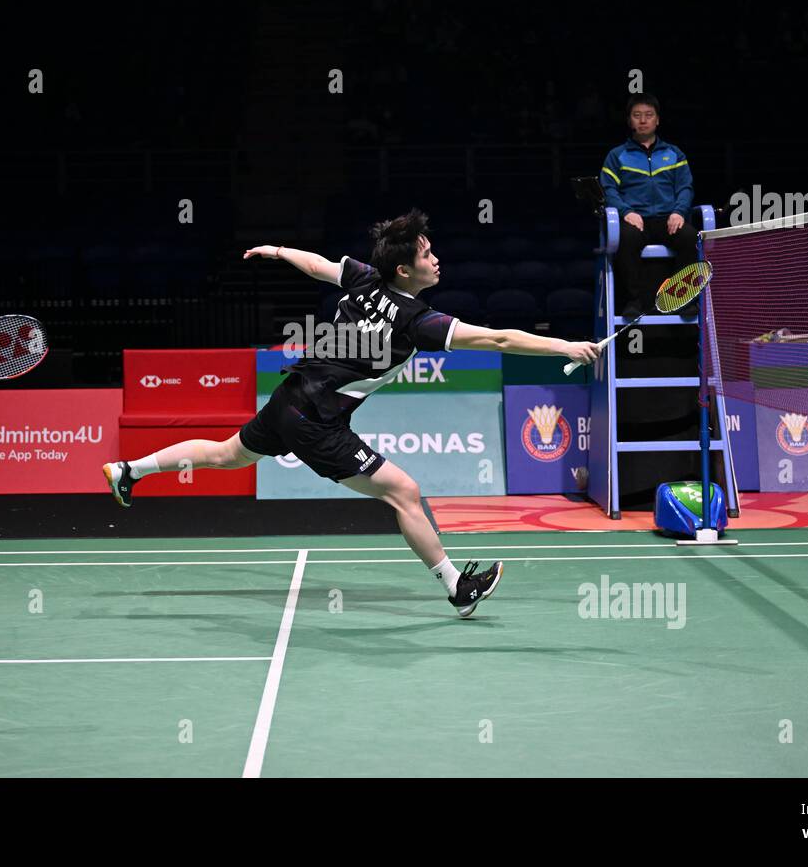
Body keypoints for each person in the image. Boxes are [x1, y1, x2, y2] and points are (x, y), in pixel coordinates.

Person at [103, 210, 599, 618]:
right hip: (315, 420)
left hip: (289, 397)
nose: (436, 259)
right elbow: (498, 339)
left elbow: (318, 265)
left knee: (229, 453)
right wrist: (567, 347)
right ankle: (457, 588)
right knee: (404, 492)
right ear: (405, 270)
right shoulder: (417, 321)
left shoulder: (364, 280)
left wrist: (275, 250)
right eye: (427, 254)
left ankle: (131, 470)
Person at [599, 94, 697, 315]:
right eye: (637, 116)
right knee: (627, 237)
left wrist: (679, 212)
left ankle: (682, 299)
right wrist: (626, 212)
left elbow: (685, 187)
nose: (643, 120)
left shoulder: (674, 153)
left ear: (657, 120)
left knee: (690, 237)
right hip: (635, 219)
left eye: (648, 115)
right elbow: (609, 190)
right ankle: (634, 302)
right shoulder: (617, 156)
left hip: (667, 218)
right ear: (630, 121)